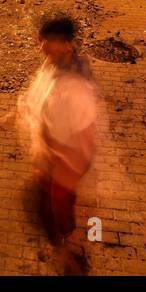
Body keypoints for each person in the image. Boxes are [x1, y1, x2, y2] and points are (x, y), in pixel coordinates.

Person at [18, 14, 96, 275]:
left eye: (48, 42)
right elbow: (39, 96)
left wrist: (63, 162)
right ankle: (67, 247)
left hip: (65, 160)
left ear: (66, 44)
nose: (42, 48)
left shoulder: (77, 83)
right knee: (54, 205)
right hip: (53, 157)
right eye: (42, 41)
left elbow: (83, 128)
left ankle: (69, 257)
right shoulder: (53, 66)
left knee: (54, 207)